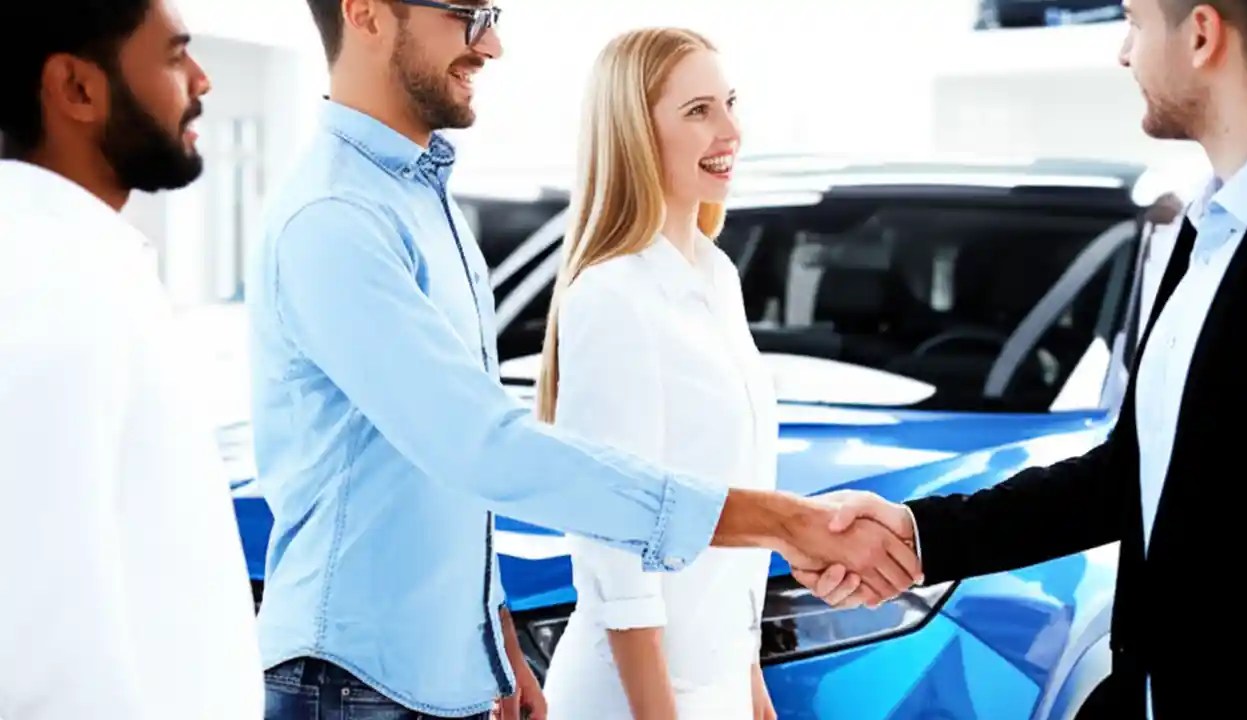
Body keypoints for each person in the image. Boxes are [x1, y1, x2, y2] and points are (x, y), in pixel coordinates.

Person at [248, 2, 922, 720]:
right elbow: (481, 448)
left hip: (433, 675)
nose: (494, 44)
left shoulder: (424, 207)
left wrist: (492, 636)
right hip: (356, 682)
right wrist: (784, 521)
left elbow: (431, 476)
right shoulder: (335, 219)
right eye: (466, 15)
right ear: (367, 14)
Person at [798, 0, 1247, 717]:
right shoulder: (1206, 232)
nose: (1123, 53)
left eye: (1135, 22)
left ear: (1202, 35)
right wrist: (921, 533)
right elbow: (1130, 477)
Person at [0, 2, 264, 719]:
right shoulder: (48, 284)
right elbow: (34, 638)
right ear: (77, 90)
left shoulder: (82, 263)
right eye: (176, 56)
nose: (202, 80)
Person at [535, 28, 777, 720]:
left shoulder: (716, 274)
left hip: (718, 685)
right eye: (699, 111)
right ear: (635, 132)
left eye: (729, 103)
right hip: (636, 699)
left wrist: (751, 689)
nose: (731, 129)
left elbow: (732, 520)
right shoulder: (613, 297)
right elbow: (615, 546)